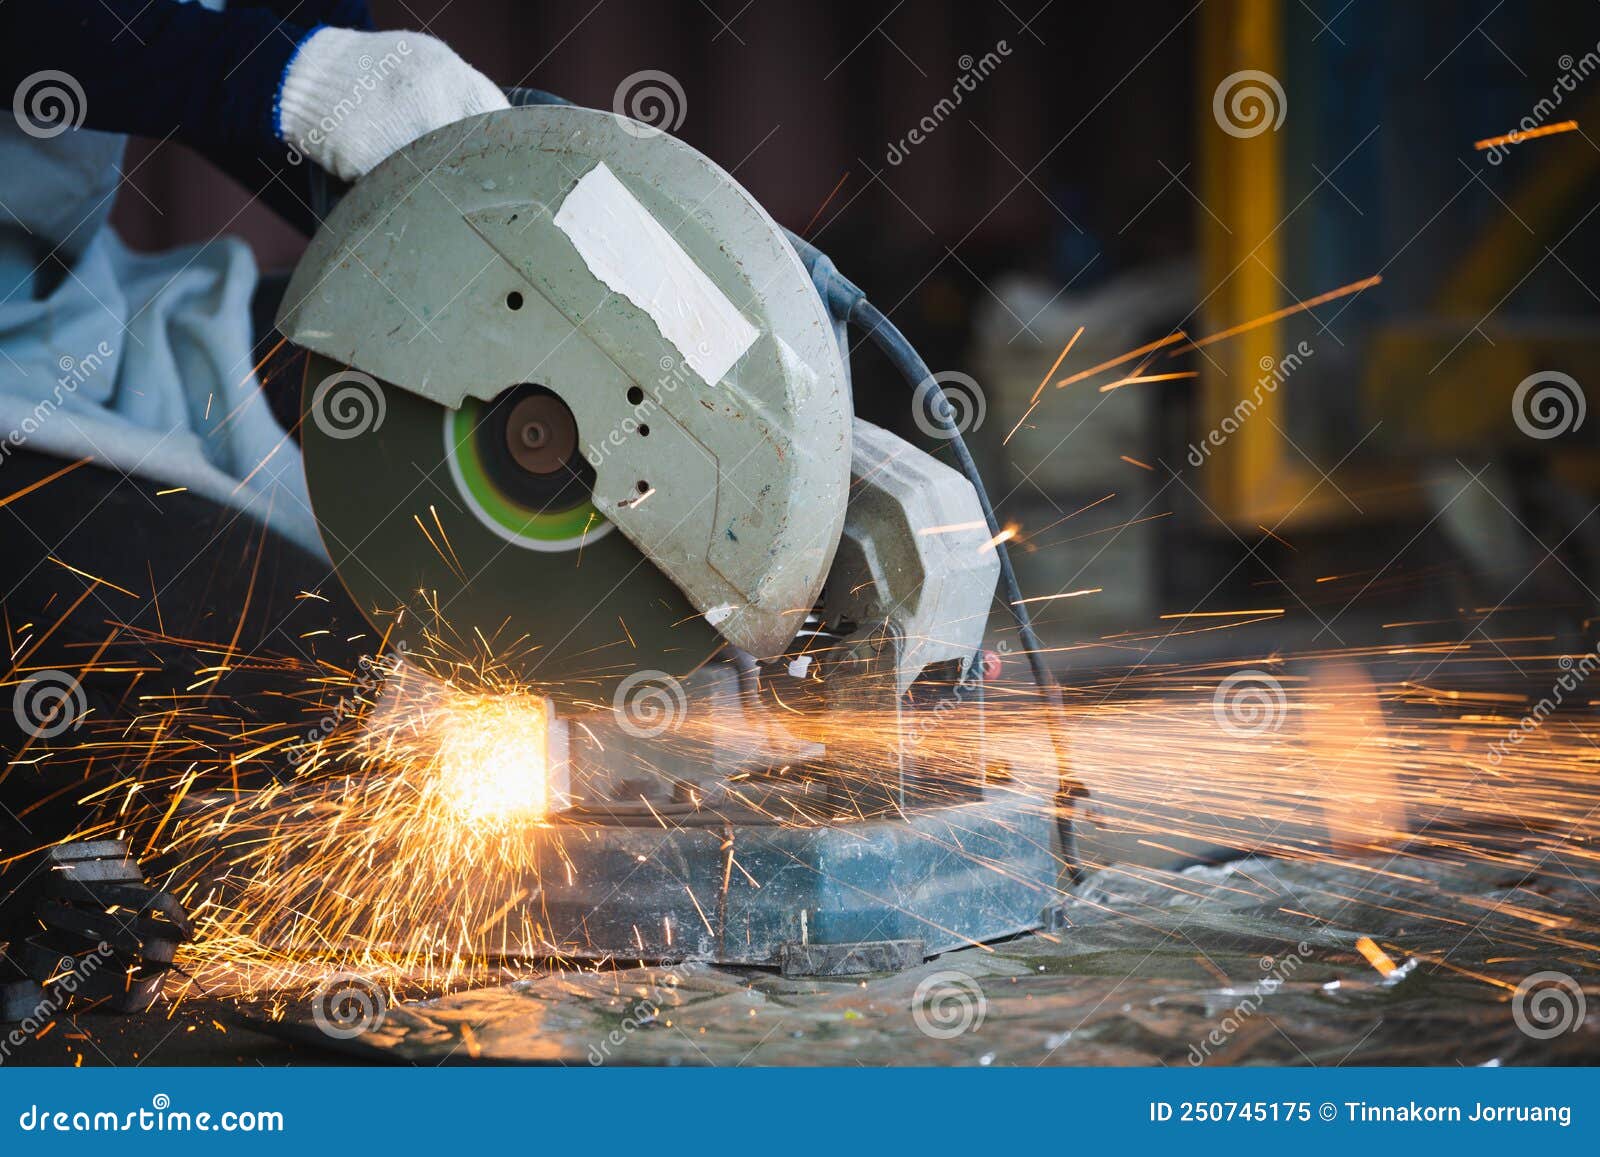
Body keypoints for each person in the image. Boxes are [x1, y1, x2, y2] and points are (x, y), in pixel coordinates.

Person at [0, 0, 506, 1013]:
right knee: (302, 658)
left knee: (437, 427)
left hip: (67, 330)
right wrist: (292, 72)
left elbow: (291, 104)